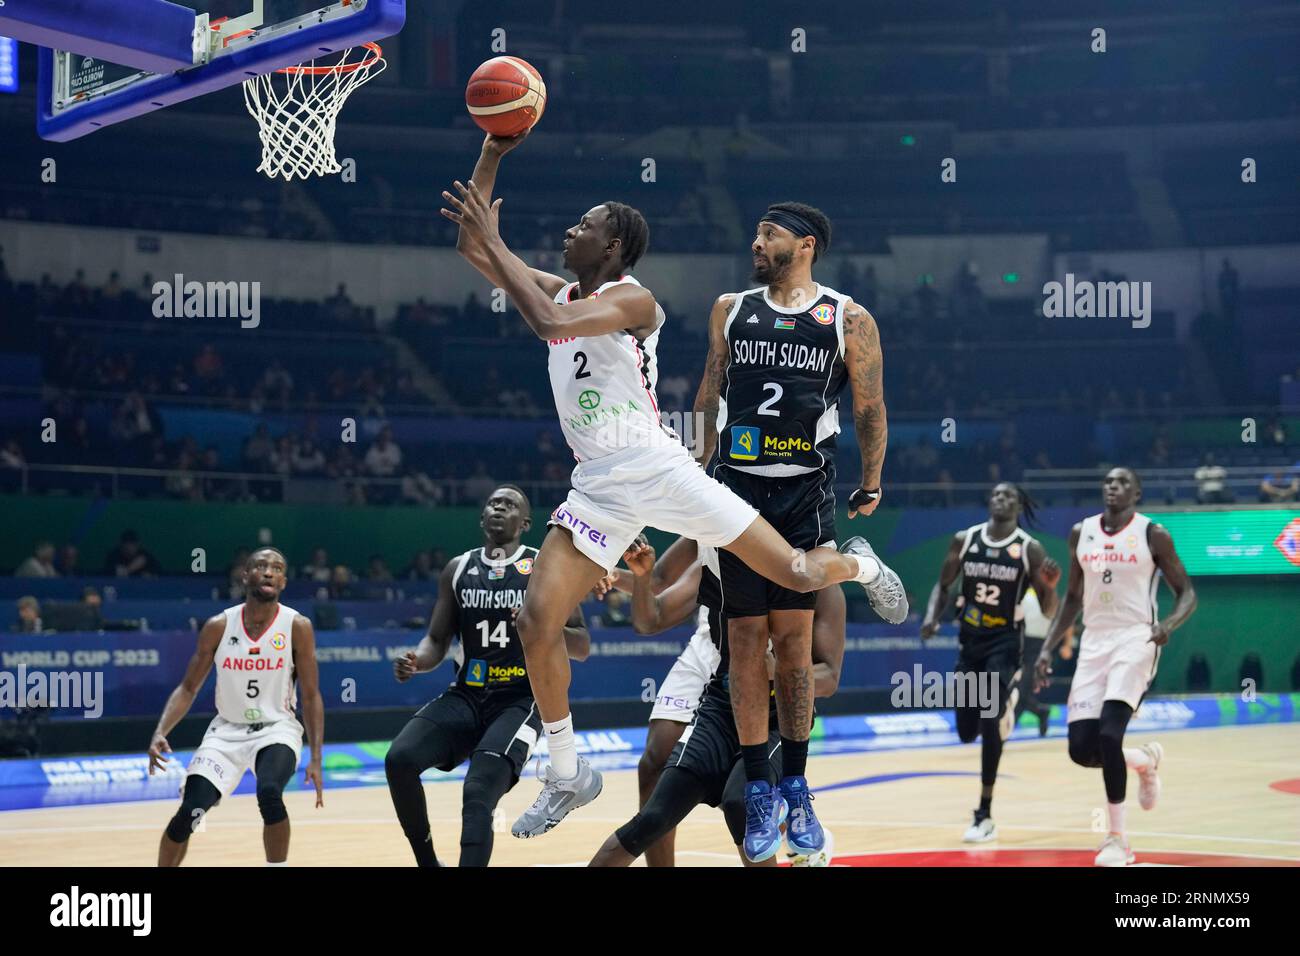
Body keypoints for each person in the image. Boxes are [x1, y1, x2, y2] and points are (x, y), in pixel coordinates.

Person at [442, 130, 896, 840]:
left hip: (657, 468)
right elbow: (474, 247)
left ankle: (861, 560)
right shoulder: (567, 286)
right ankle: (567, 770)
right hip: (597, 485)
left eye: (585, 225)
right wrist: (495, 150)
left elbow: (548, 320)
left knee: (800, 571)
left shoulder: (632, 300)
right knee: (538, 619)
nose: (569, 231)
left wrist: (499, 247)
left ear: (614, 247)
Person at [692, 200, 905, 860]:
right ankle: (760, 791)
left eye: (770, 233)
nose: (757, 242)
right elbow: (708, 391)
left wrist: (872, 482)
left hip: (804, 491)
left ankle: (797, 786)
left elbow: (870, 409)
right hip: (737, 489)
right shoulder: (731, 308)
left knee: (793, 645)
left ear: (805, 245)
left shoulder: (846, 317)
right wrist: (690, 471)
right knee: (745, 641)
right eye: (756, 231)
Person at [589, 541, 846, 868]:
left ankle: (789, 822)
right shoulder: (720, 555)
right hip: (719, 687)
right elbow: (653, 610)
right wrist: (635, 577)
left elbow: (830, 678)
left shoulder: (821, 580)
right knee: (655, 780)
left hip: (776, 711)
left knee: (740, 801)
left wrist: (779, 669)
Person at [384, 486, 590, 866]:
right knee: (399, 759)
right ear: (482, 518)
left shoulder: (544, 568)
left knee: (478, 790)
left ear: (525, 523)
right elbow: (437, 639)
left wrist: (539, 624)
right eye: (493, 503)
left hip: (519, 699)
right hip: (467, 694)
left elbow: (581, 645)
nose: (498, 507)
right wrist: (417, 660)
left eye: (509, 504)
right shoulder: (458, 569)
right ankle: (427, 862)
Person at [1035, 468, 1197, 867]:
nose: (1113, 487)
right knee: (1080, 749)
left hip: (1135, 638)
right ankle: (1143, 759)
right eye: (1108, 481)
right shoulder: (1081, 532)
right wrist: (1047, 649)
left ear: (1137, 492)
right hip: (1094, 642)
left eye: (1122, 482)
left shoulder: (1153, 534)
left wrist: (1168, 625)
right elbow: (1072, 597)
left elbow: (1187, 593)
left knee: (1109, 735)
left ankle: (1117, 841)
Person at [148, 548, 324, 866]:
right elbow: (188, 687)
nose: (269, 572)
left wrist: (316, 758)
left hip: (277, 729)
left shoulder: (297, 626)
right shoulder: (219, 625)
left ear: (283, 581)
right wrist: (161, 730)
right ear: (245, 576)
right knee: (190, 812)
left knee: (269, 793)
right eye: (260, 566)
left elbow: (311, 696)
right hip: (226, 731)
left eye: (277, 568)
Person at [919, 483, 1060, 842]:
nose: (1000, 499)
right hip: (971, 643)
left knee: (990, 715)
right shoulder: (965, 540)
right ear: (989, 501)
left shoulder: (1030, 549)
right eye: (996, 494)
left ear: (1018, 505)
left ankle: (984, 813)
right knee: (967, 731)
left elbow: (1048, 608)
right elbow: (943, 584)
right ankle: (1006, 707)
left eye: (1008, 496)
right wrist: (933, 617)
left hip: (1005, 643)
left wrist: (1051, 586)